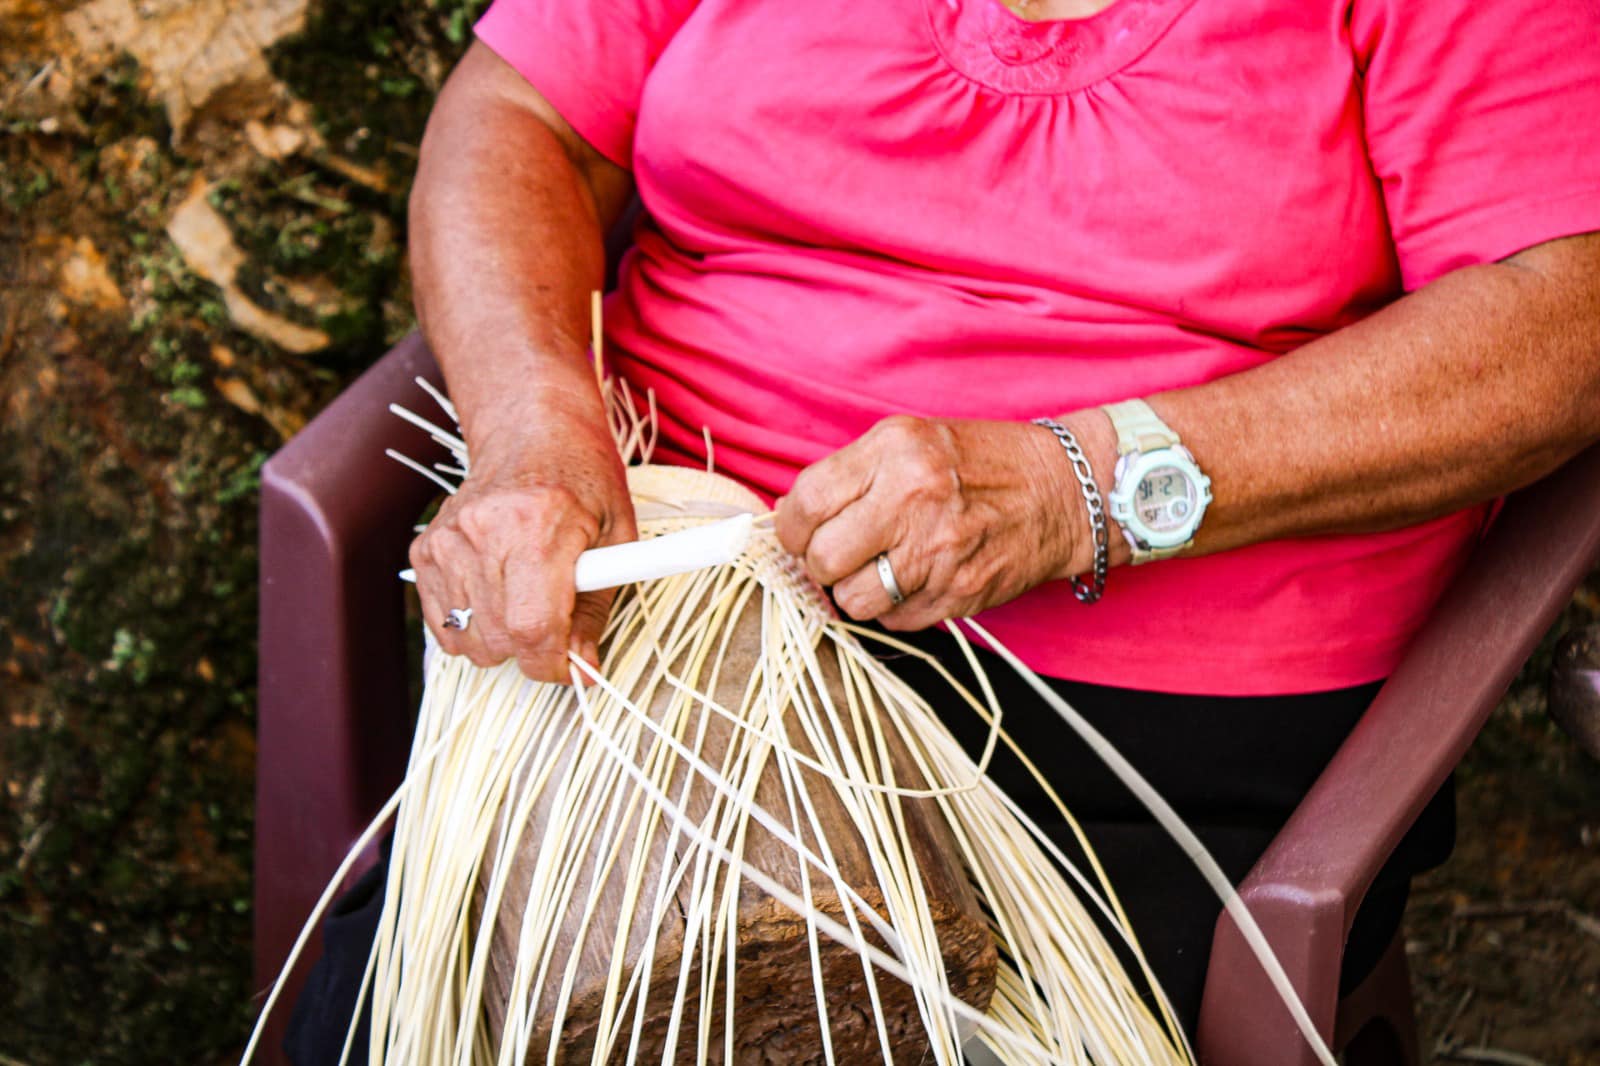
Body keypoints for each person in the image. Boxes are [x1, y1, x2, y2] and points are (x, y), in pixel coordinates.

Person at [287, 0, 1600, 1057]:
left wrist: (1073, 485)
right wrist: (536, 436)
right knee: (525, 1001)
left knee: (842, 1019)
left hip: (1136, 715)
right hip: (670, 614)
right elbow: (521, 113)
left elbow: (1560, 323)